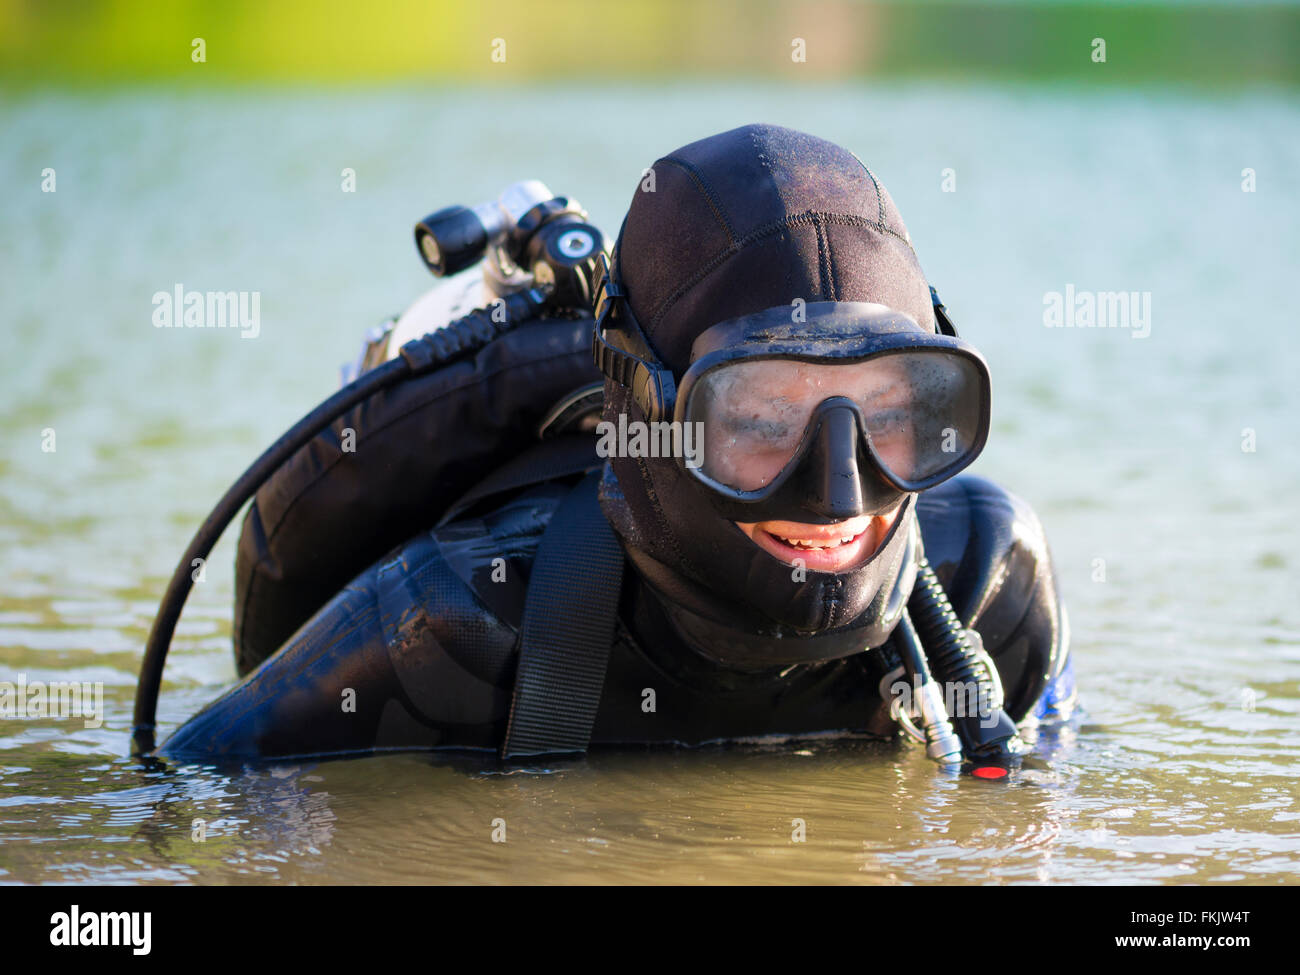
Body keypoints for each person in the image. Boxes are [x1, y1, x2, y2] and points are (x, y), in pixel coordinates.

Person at [161, 124, 1073, 762]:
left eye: (887, 413)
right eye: (759, 418)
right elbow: (181, 796)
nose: (840, 495)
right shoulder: (457, 623)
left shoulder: (989, 581)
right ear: (641, 402)